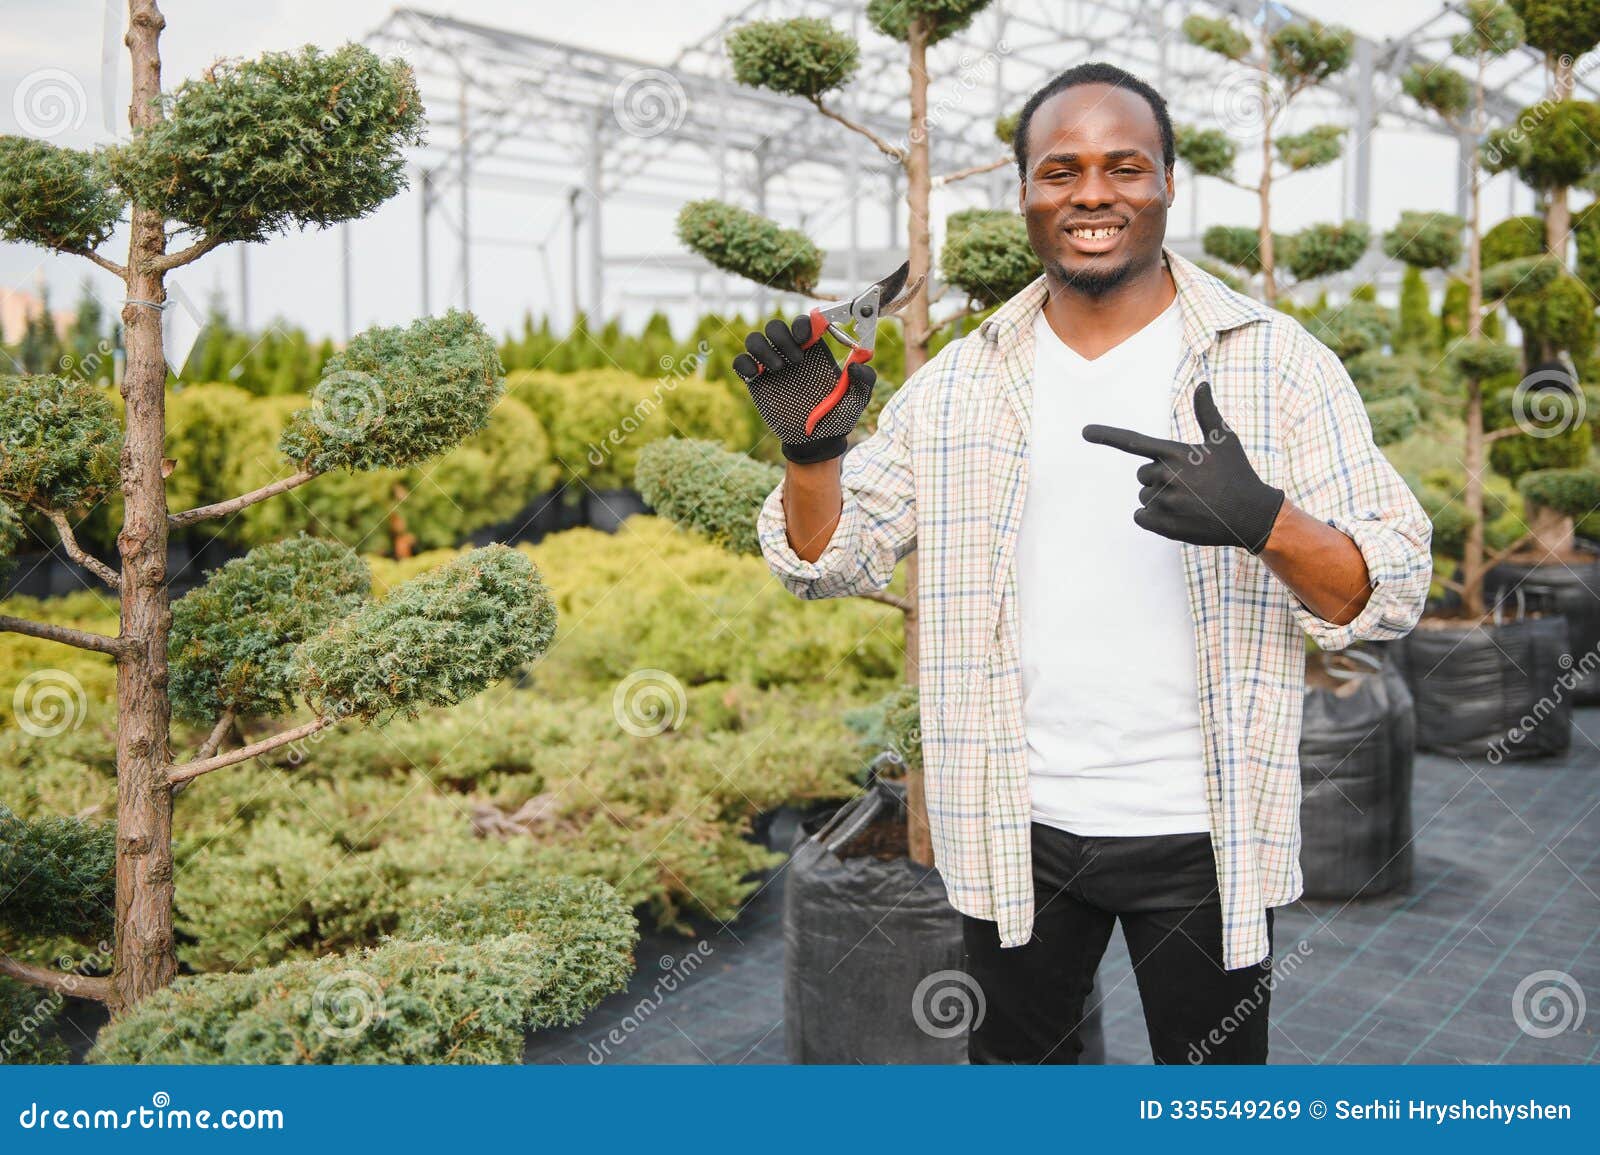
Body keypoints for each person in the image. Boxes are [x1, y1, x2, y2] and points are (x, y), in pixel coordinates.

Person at [732, 61, 1432, 1065]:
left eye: (1124, 167)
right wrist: (810, 456)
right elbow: (823, 563)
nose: (1093, 193)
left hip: (1204, 830)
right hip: (1015, 822)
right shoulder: (962, 382)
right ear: (1023, 193)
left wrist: (1261, 519)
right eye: (1059, 171)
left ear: (1166, 186)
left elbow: (1394, 586)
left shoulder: (1277, 364)